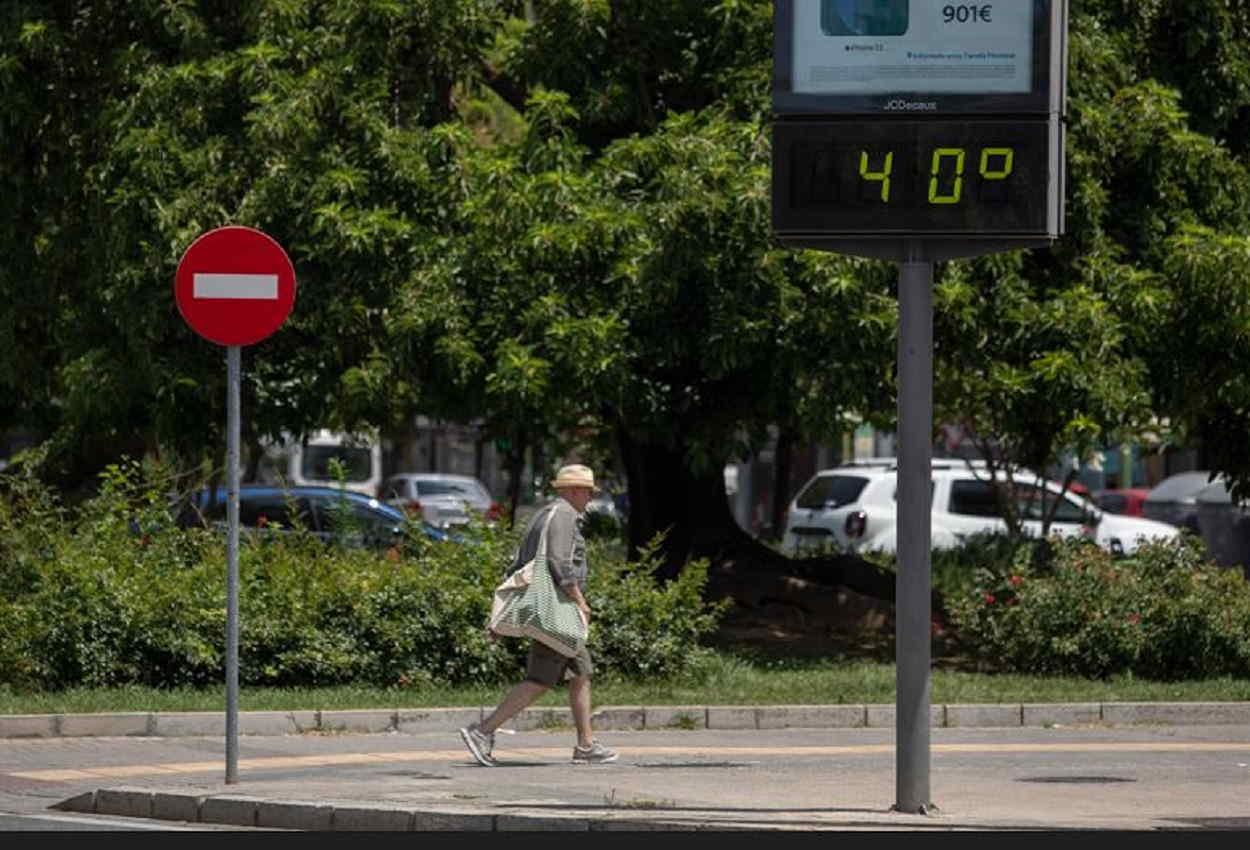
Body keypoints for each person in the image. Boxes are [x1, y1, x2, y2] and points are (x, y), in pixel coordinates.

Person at [458, 464, 618, 766]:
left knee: (581, 672)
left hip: (550, 608)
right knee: (540, 680)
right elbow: (559, 563)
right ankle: (482, 731)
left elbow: (519, 564)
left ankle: (585, 744)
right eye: (586, 491)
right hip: (554, 611)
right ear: (572, 490)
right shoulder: (565, 515)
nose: (589, 497)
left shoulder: (543, 514)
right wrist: (580, 601)